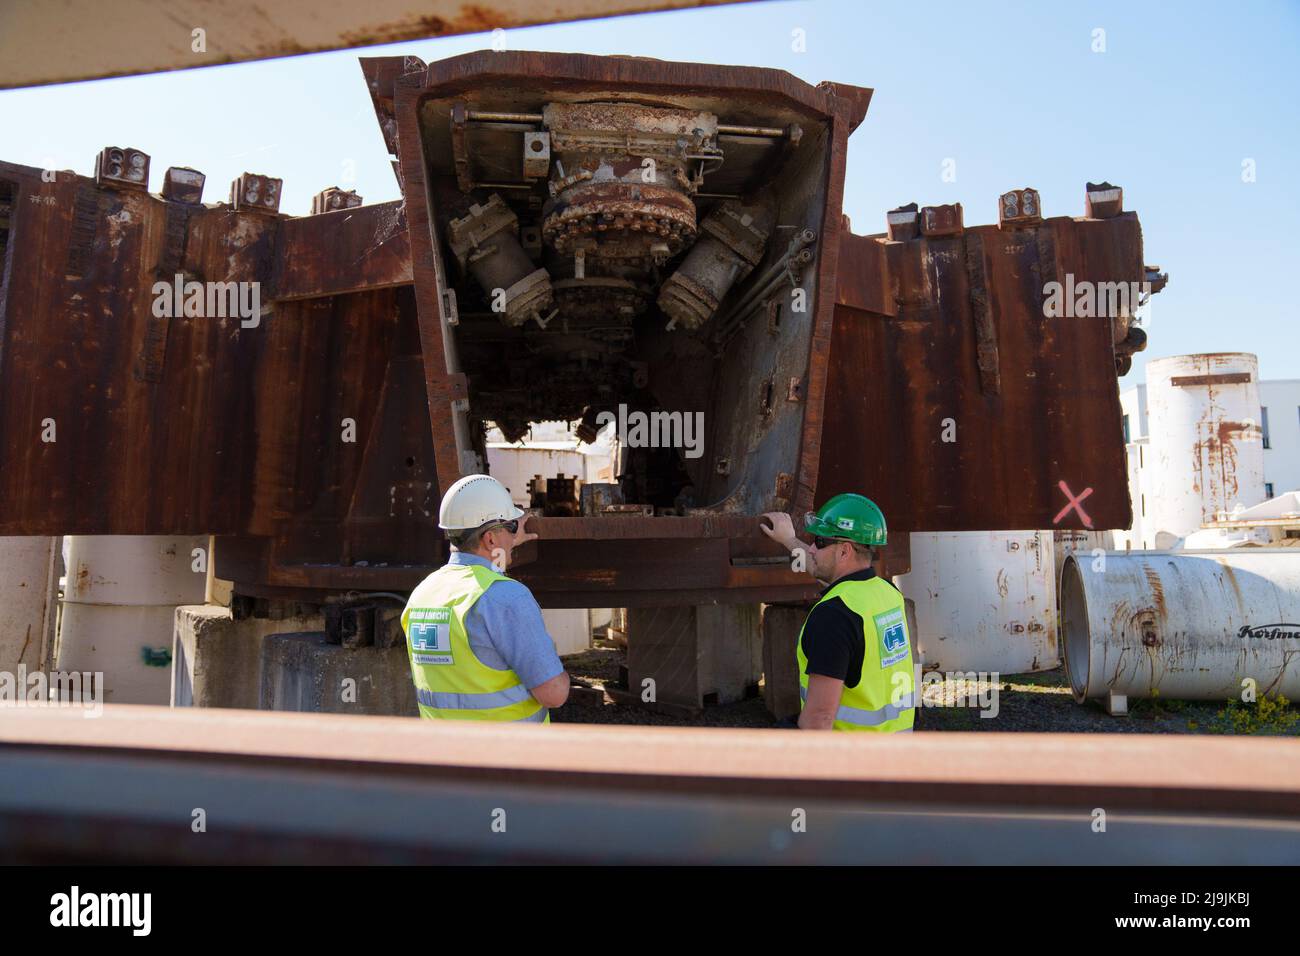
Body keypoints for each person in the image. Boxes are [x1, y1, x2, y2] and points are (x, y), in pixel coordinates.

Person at [401, 474, 569, 722]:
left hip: (442, 754)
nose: (514, 535)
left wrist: (506, 542)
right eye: (511, 527)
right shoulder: (508, 599)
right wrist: (561, 674)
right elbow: (554, 695)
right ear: (490, 538)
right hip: (506, 754)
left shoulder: (423, 594)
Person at [760, 493, 914, 732]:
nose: (810, 548)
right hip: (893, 755)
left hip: (850, 762)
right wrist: (788, 540)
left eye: (819, 541)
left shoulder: (834, 616)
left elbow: (819, 718)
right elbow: (822, 569)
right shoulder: (888, 594)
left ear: (844, 551)